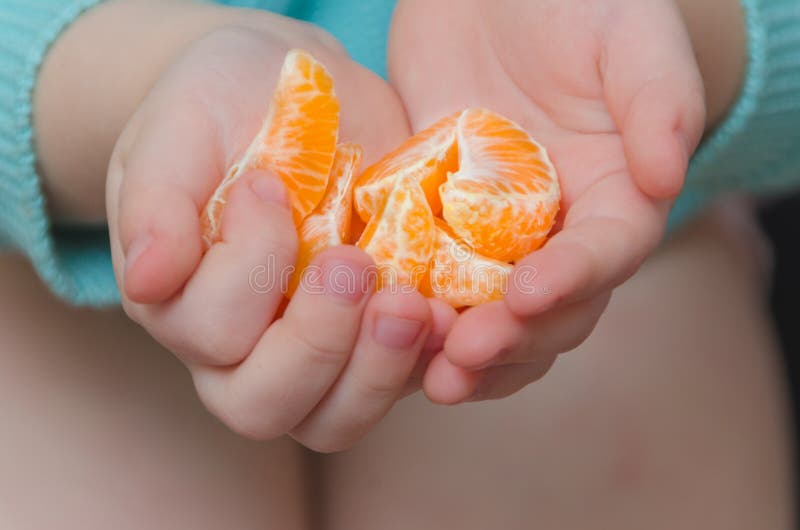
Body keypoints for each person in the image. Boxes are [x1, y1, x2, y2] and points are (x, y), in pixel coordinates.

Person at [0, 0, 797, 527]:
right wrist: (124, 84)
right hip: (59, 211)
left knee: (615, 419)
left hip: (604, 198)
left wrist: (694, 32)